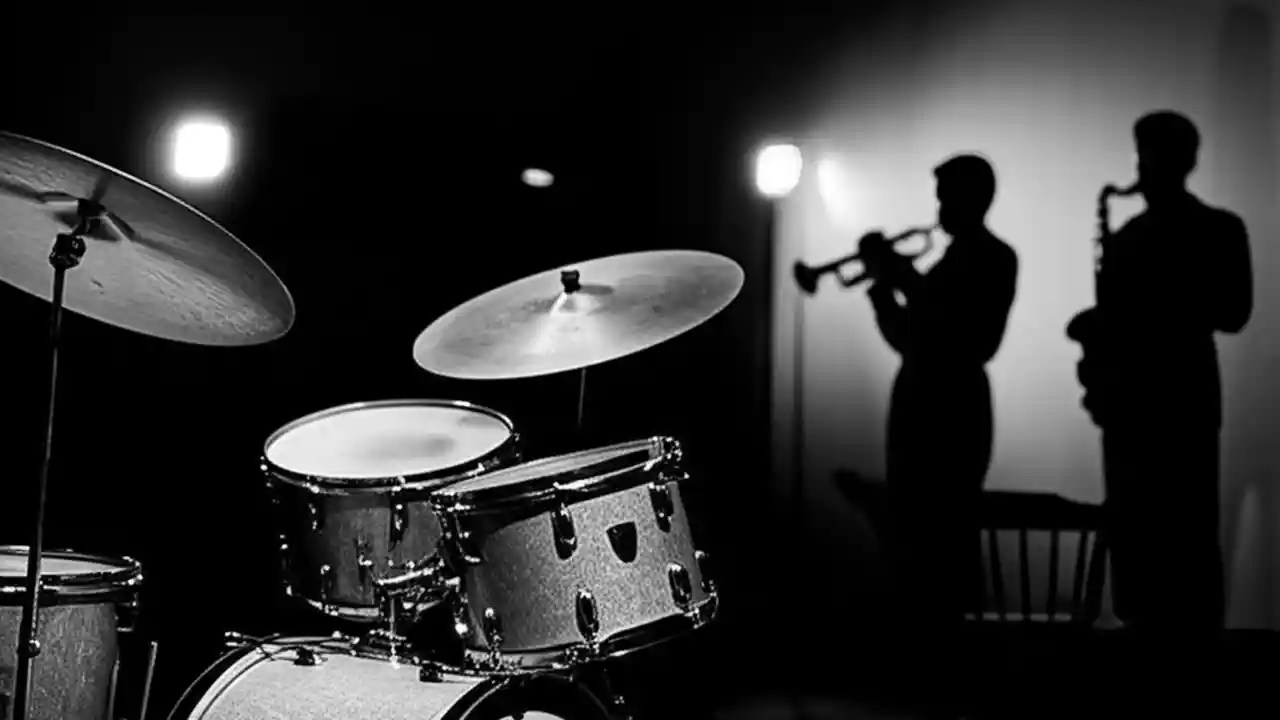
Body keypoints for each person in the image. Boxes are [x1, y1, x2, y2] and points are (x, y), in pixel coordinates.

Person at [1084, 110, 1252, 636]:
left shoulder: (1221, 228)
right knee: (1134, 537)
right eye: (1141, 152)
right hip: (1132, 401)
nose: (1142, 165)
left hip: (1180, 399)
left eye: (1151, 152)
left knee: (1188, 537)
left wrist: (1159, 297)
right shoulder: (1129, 235)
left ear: (1186, 161)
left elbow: (1235, 313)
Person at [864, 153, 1018, 640]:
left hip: (955, 404)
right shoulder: (947, 261)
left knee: (948, 531)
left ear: (974, 198)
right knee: (910, 527)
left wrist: (902, 278)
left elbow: (971, 336)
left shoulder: (994, 257)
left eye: (947, 194)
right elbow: (909, 338)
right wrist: (882, 291)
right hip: (917, 396)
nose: (939, 205)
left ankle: (947, 651)